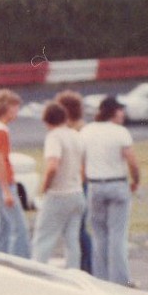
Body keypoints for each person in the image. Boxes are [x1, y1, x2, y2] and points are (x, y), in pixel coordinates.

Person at [82, 95, 142, 285]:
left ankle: (101, 278)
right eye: (120, 110)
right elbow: (132, 161)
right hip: (117, 183)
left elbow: (82, 161)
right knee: (117, 234)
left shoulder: (87, 131)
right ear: (113, 112)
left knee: (99, 235)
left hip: (95, 185)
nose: (122, 114)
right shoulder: (120, 132)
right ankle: (120, 279)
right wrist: (136, 180)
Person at [30, 101, 86, 267]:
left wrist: (45, 186)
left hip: (58, 194)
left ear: (46, 121)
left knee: (43, 237)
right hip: (76, 193)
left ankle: (37, 272)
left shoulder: (53, 137)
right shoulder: (76, 135)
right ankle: (73, 272)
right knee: (72, 239)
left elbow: (53, 166)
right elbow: (84, 166)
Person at [0, 88, 30, 258]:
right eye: (15, 107)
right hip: (4, 184)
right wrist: (6, 190)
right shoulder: (1, 130)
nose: (17, 111)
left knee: (2, 228)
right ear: (6, 107)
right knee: (20, 228)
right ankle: (22, 264)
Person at [55, 89, 94, 272]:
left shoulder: (79, 131)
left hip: (80, 183)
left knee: (77, 229)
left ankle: (87, 267)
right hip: (79, 182)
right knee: (76, 229)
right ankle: (83, 265)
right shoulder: (75, 129)